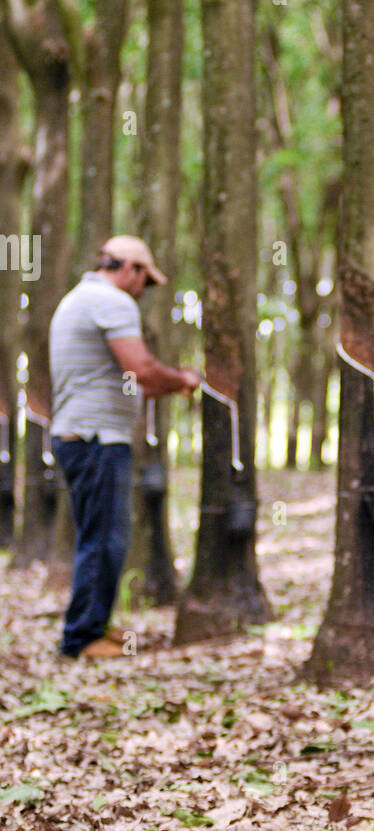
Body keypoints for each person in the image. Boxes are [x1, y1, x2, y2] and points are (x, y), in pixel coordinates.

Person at [49, 236, 201, 659]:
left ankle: (93, 623)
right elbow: (142, 371)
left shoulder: (81, 298)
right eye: (145, 279)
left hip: (83, 435)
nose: (143, 289)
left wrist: (161, 383)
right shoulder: (112, 302)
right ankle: (81, 638)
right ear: (130, 268)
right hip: (96, 439)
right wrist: (184, 380)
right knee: (104, 539)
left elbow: (126, 380)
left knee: (100, 536)